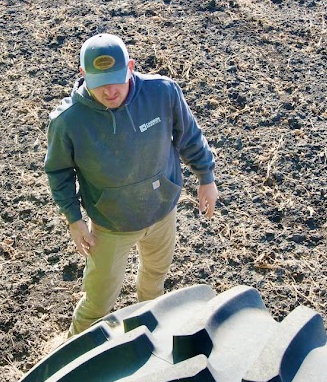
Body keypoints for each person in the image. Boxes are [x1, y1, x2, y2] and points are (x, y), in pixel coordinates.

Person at [45, 33, 219, 336]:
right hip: (110, 225)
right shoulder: (68, 122)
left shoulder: (162, 93)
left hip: (162, 211)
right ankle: (72, 353)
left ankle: (150, 336)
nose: (110, 91)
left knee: (155, 280)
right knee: (98, 302)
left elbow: (188, 135)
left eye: (117, 79)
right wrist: (74, 219)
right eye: (100, 82)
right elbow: (58, 173)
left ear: (130, 67)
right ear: (84, 75)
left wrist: (206, 177)